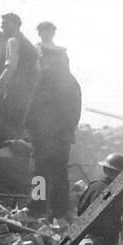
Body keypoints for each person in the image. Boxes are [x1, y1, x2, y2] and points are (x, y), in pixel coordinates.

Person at [25, 30, 82, 219]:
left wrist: (29, 127)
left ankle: (37, 208)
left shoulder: (45, 80)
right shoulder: (72, 82)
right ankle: (60, 210)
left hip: (44, 137)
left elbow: (34, 107)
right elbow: (75, 113)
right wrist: (67, 131)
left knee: (39, 173)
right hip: (62, 137)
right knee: (60, 175)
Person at [0, 12, 40, 144]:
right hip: (28, 94)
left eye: (5, 24)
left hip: (15, 93)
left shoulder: (13, 41)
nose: (2, 27)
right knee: (18, 132)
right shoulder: (28, 44)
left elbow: (10, 68)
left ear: (15, 25)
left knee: (7, 132)